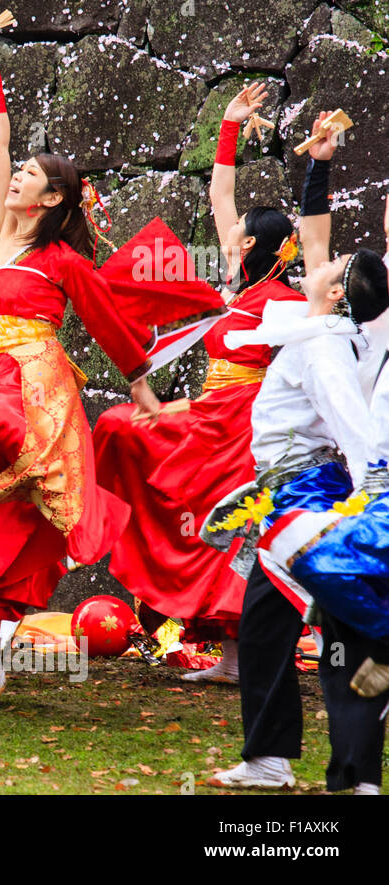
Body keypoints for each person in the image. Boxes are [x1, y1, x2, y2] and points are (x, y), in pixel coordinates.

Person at [0, 30, 163, 709]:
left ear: (54, 199)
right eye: (22, 172)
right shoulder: (2, 235)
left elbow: (107, 323)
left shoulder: (62, 262)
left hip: (32, 389)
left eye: (33, 175)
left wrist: (142, 383)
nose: (18, 178)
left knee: (13, 513)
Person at [92, 84, 311, 683]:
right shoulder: (232, 290)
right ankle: (209, 634)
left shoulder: (288, 303)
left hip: (244, 424)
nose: (227, 227)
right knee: (116, 426)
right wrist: (229, 126)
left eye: (236, 228)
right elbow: (221, 193)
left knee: (233, 525)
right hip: (210, 411)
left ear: (250, 244)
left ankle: (240, 659)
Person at [202, 237, 389, 790]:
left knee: (324, 639)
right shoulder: (321, 336)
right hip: (287, 500)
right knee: (293, 633)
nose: (316, 262)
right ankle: (290, 762)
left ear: (334, 292)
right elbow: (312, 233)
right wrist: (321, 168)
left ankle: (330, 771)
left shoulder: (322, 349)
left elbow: (356, 432)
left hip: (309, 507)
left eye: (328, 264)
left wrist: (370, 512)